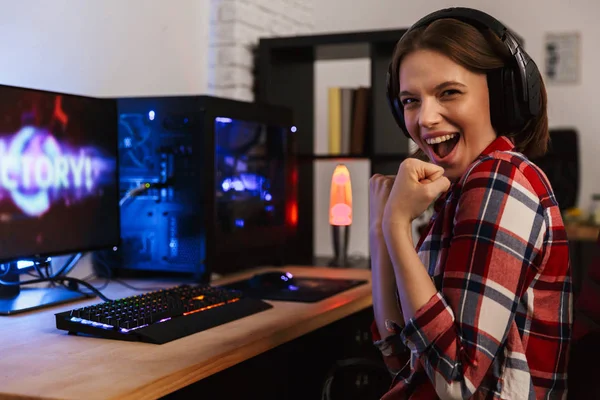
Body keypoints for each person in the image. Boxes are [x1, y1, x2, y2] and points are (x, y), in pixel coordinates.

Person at [369, 8, 572, 400]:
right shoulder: (460, 191)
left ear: (501, 97)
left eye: (449, 92)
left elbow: (457, 382)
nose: (425, 118)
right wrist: (381, 232)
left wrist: (396, 224)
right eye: (410, 100)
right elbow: (402, 361)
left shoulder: (500, 179)